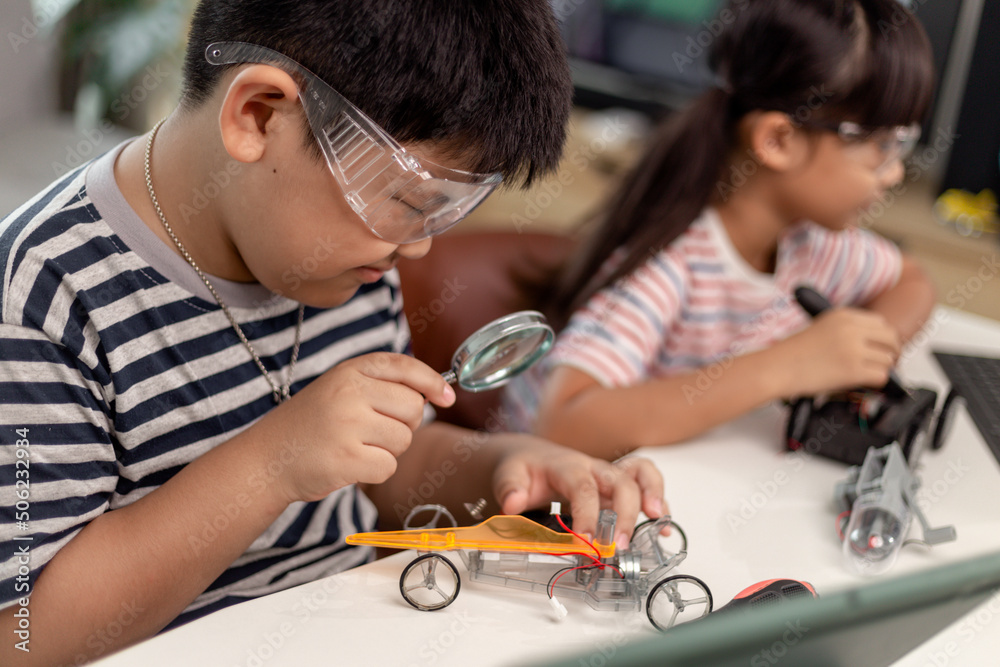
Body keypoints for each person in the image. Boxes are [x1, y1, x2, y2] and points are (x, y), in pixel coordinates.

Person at [0, 2, 669, 664]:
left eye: (445, 213)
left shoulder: (347, 252)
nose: (417, 251)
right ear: (258, 114)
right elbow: (23, 636)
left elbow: (377, 457)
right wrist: (271, 464)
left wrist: (502, 468)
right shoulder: (41, 294)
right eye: (411, 202)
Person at [504, 0, 938, 459]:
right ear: (778, 140)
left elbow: (912, 281)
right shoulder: (673, 262)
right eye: (882, 144)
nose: (893, 175)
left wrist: (861, 348)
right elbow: (562, 423)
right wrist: (791, 365)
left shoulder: (813, 242)